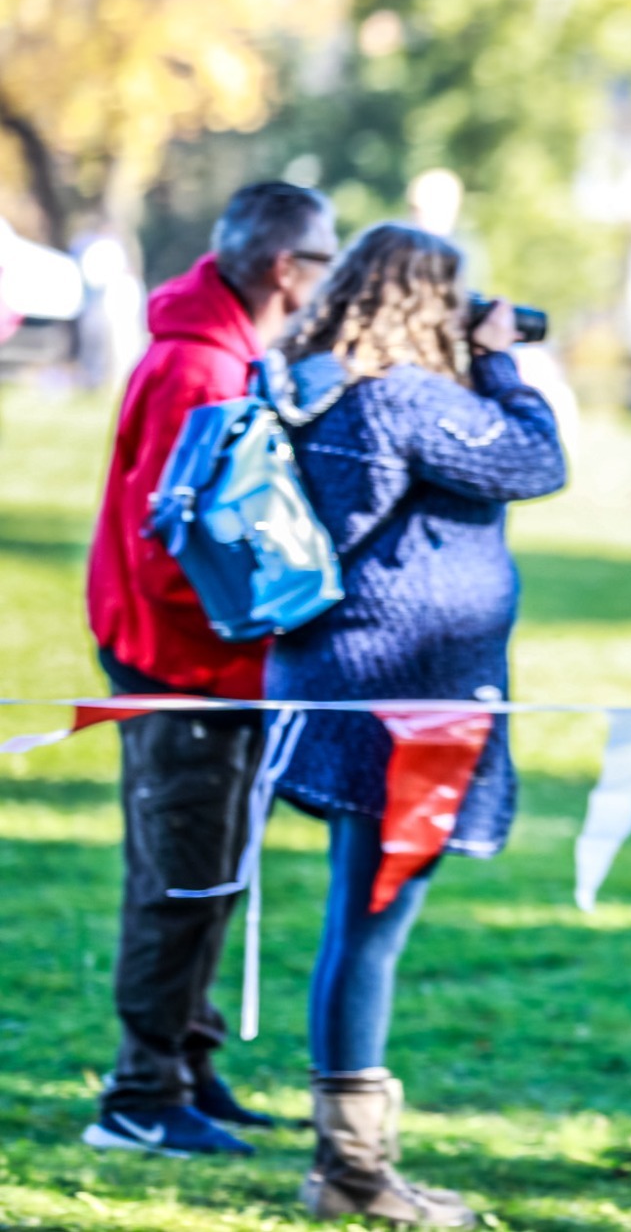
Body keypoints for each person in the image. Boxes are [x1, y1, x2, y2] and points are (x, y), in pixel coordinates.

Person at [264, 223, 567, 1223]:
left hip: (343, 678)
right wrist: (501, 363)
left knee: (359, 921)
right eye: (456, 297)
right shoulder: (405, 395)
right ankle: (352, 1170)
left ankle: (345, 1163)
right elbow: (535, 459)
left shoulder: (318, 383)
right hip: (407, 703)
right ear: (423, 301)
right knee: (370, 929)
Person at [81, 181, 337, 1159]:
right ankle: (140, 1097)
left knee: (210, 872)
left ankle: (188, 1064)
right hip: (185, 669)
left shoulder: (220, 353)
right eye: (320, 265)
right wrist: (293, 601)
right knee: (181, 881)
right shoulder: (199, 368)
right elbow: (175, 549)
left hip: (211, 668)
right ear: (285, 270)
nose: (323, 286)